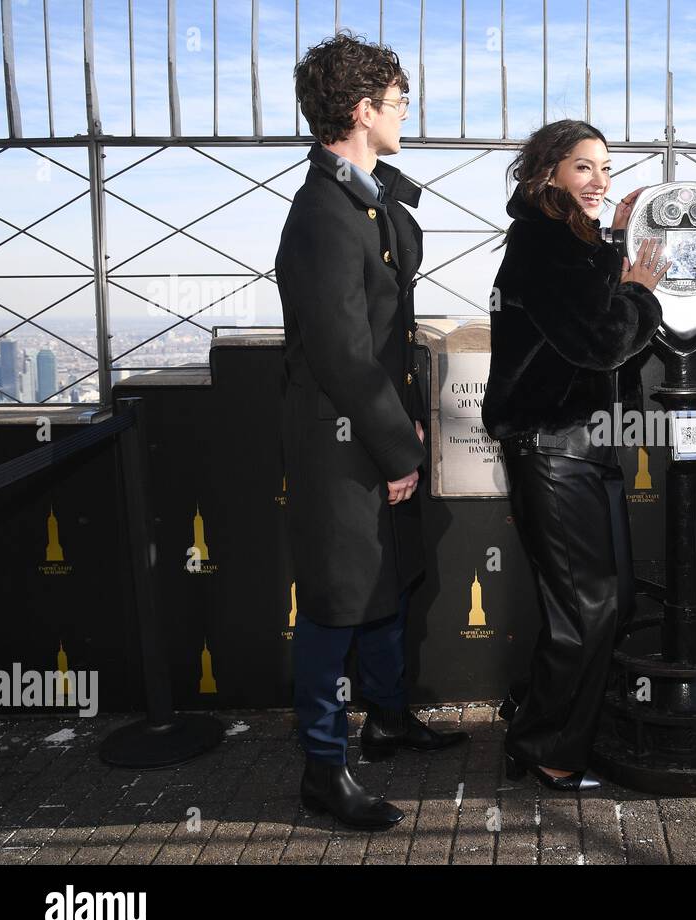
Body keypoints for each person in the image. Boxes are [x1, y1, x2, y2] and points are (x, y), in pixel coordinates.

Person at [276, 32, 465, 831]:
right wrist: (396, 448)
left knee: (385, 583)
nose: (406, 111)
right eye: (396, 99)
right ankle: (325, 768)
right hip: (342, 444)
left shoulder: (361, 197)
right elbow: (344, 355)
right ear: (362, 110)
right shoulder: (324, 212)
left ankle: (387, 719)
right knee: (335, 604)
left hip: (377, 427)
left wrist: (402, 424)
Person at [482, 119, 667, 791]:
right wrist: (641, 291)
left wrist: (622, 265)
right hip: (554, 450)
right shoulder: (543, 239)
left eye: (606, 168)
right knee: (588, 607)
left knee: (604, 602)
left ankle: (543, 719)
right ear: (548, 174)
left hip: (588, 449)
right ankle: (545, 747)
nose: (599, 181)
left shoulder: (579, 242)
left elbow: (612, 347)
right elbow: (598, 343)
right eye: (583, 167)